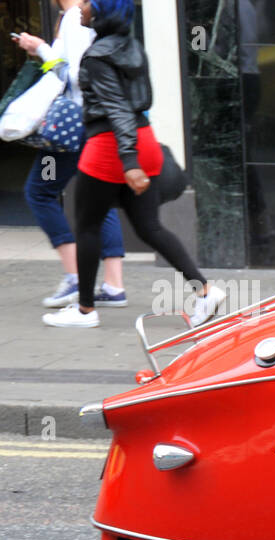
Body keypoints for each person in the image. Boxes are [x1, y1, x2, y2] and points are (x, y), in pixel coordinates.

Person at [43, 0, 224, 329]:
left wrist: (128, 162)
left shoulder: (98, 56)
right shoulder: (132, 46)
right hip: (145, 141)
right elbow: (136, 104)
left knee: (86, 226)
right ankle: (206, 291)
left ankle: (85, 310)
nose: (80, 7)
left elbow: (117, 109)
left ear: (101, 10)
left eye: (87, 2)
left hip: (111, 148)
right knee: (149, 227)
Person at [14, 0, 127, 313]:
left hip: (69, 125)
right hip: (92, 122)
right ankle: (114, 285)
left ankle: (75, 276)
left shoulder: (75, 17)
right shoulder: (87, 14)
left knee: (40, 192)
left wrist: (41, 50)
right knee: (98, 196)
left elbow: (77, 76)